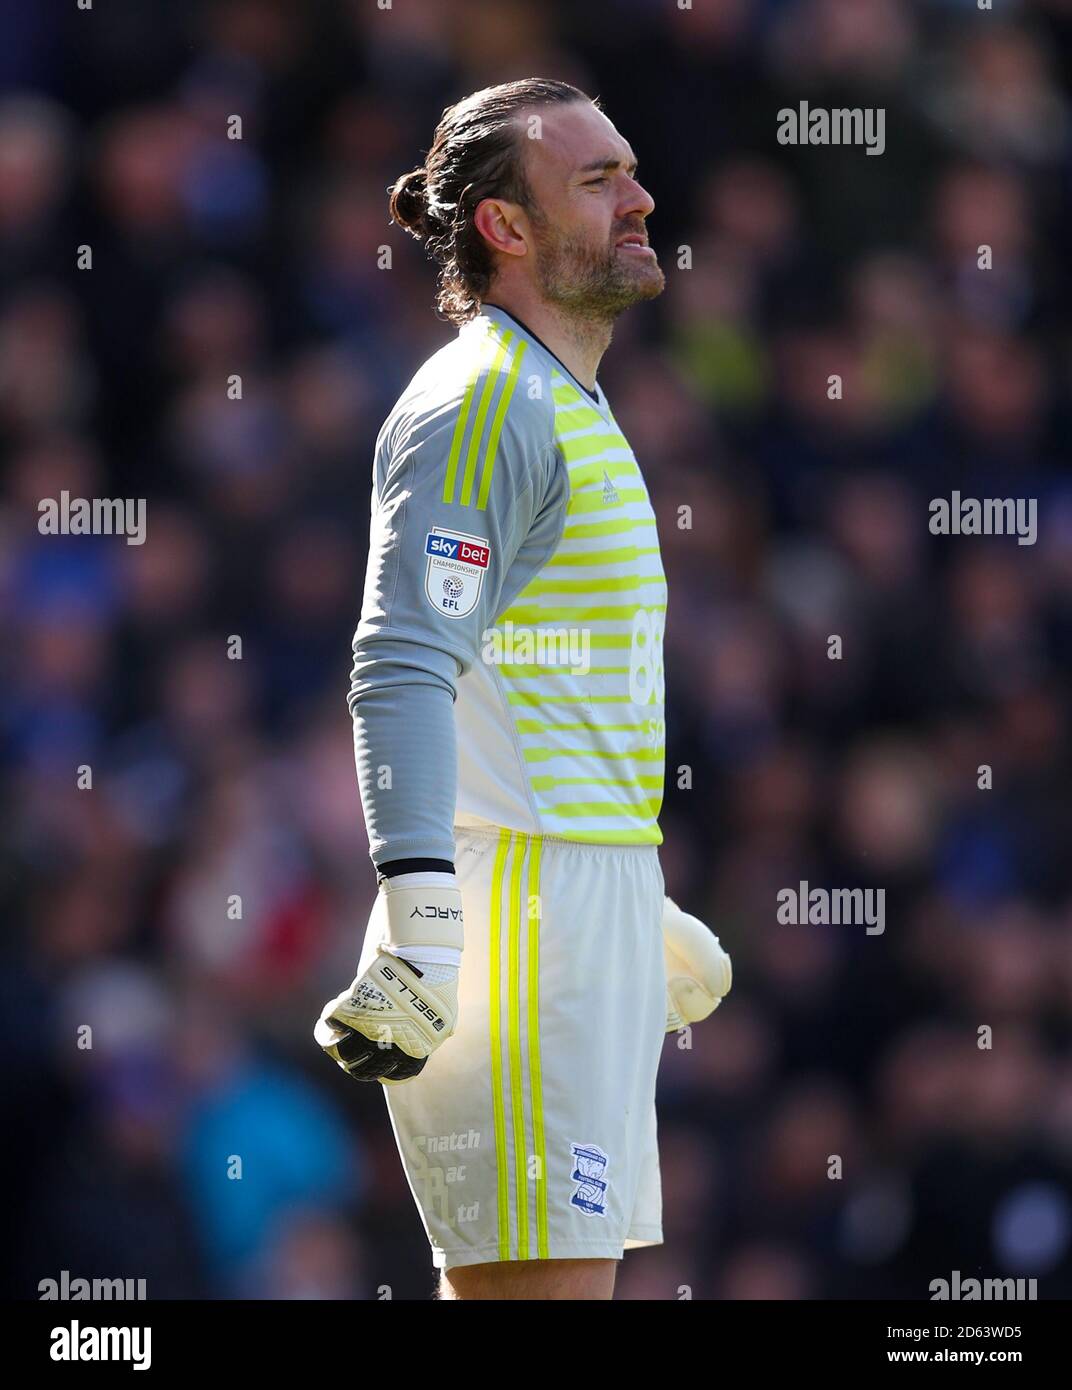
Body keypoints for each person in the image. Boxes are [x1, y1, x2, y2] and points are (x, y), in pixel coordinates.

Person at [314, 78, 731, 1301]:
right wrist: (435, 920)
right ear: (503, 226)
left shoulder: (564, 399)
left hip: (572, 904)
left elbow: (534, 691)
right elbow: (399, 660)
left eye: (632, 169)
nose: (642, 197)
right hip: (513, 928)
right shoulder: (487, 396)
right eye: (598, 178)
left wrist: (626, 888)